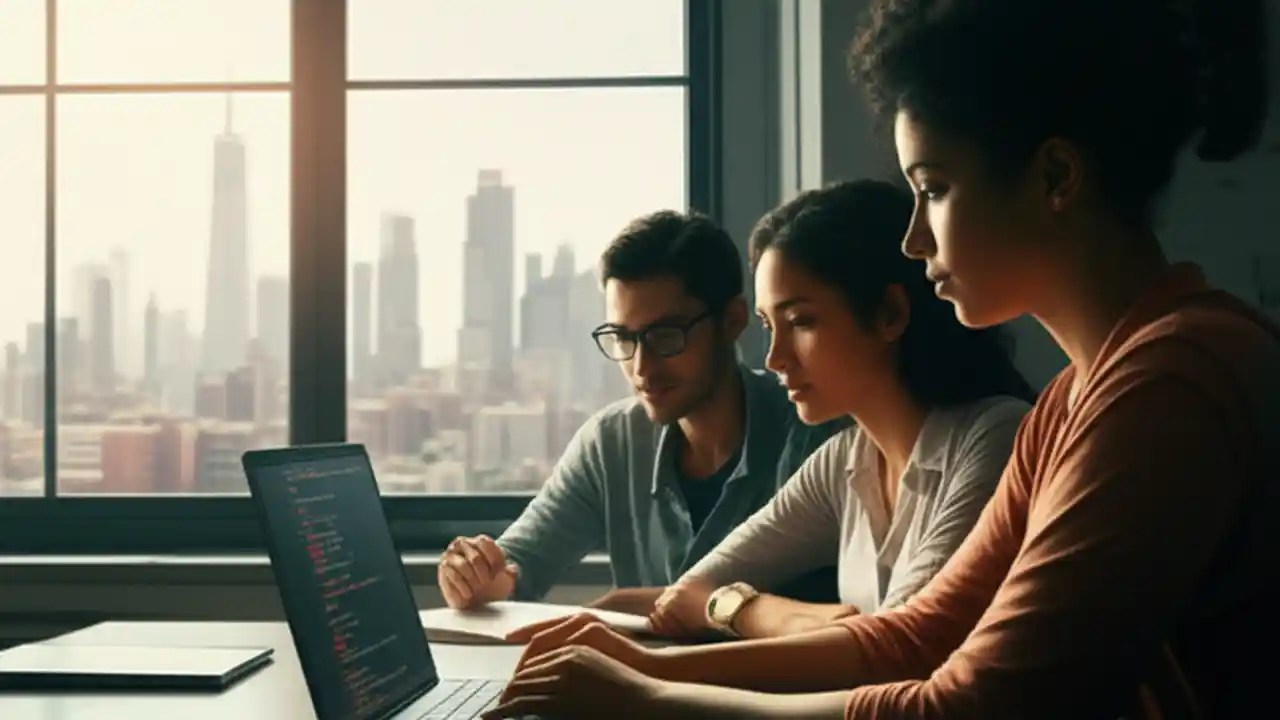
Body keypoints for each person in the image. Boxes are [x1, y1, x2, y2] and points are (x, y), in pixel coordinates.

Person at [482, 1, 1278, 718]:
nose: (914, 240)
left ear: (1055, 178)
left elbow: (970, 704)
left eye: (932, 189)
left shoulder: (1170, 382)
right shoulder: (1077, 399)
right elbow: (916, 636)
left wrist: (654, 697)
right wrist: (642, 667)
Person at [644, 179, 1033, 641]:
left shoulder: (996, 439)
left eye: (801, 322)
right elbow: (688, 591)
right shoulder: (842, 462)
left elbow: (894, 645)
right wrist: (777, 615)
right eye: (769, 325)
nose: (774, 358)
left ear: (889, 313)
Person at [438, 210, 845, 612]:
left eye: (666, 335)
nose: (642, 367)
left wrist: (616, 614)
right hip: (637, 677)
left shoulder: (815, 432)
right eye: (623, 338)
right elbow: (519, 564)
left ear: (732, 321)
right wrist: (479, 576)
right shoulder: (612, 443)